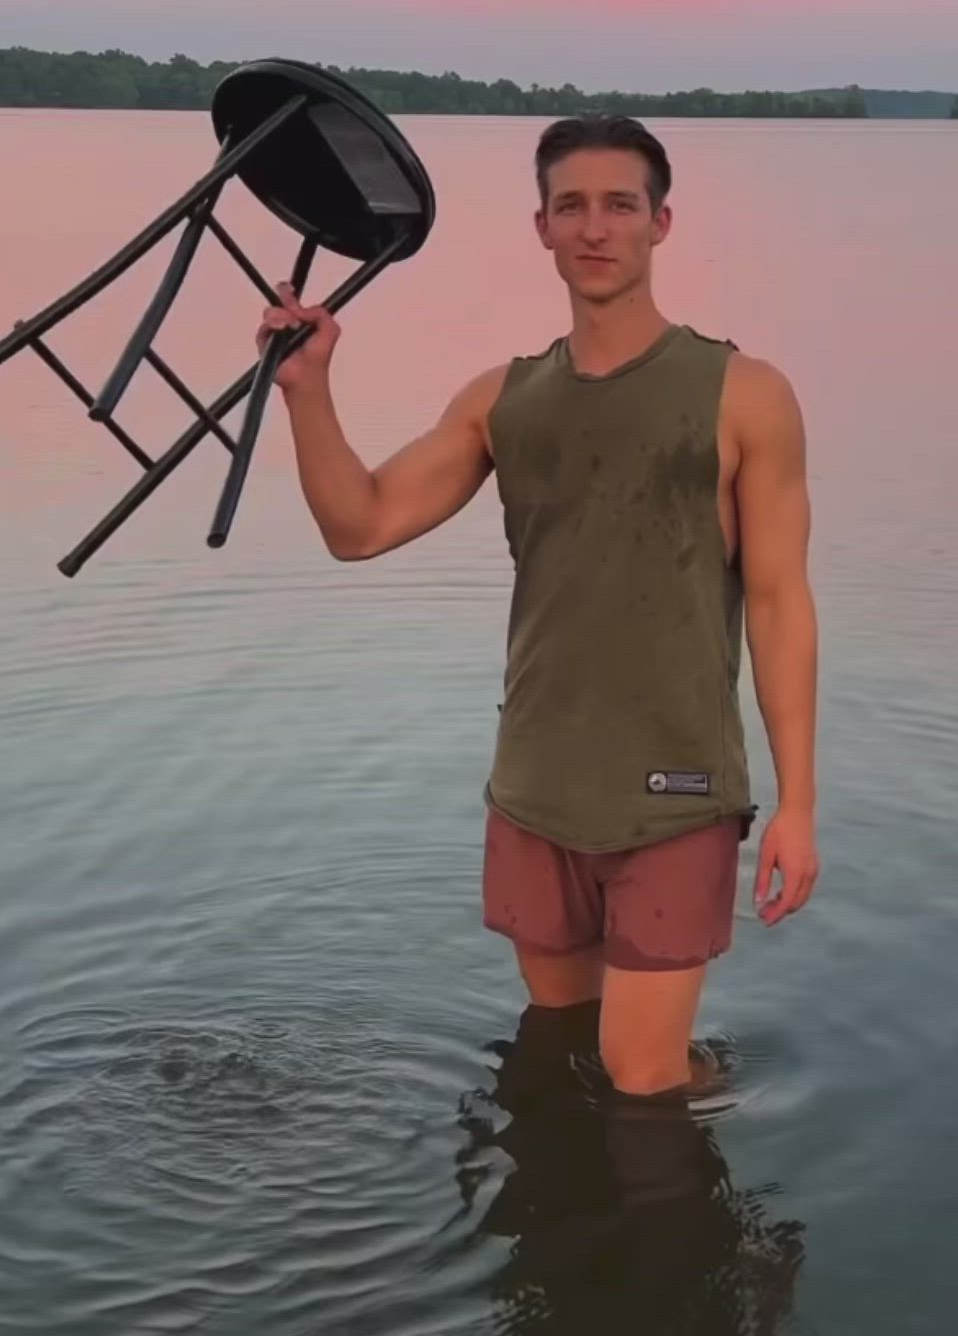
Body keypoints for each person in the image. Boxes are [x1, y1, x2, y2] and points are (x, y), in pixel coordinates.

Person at [256, 114, 819, 1102]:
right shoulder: (501, 401)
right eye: (572, 207)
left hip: (675, 792)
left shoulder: (745, 395)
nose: (595, 228)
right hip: (537, 789)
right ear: (542, 229)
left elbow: (779, 603)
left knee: (639, 1074)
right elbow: (361, 525)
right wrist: (309, 389)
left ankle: (685, 1191)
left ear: (661, 223)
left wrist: (799, 806)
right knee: (560, 1044)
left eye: (619, 206)